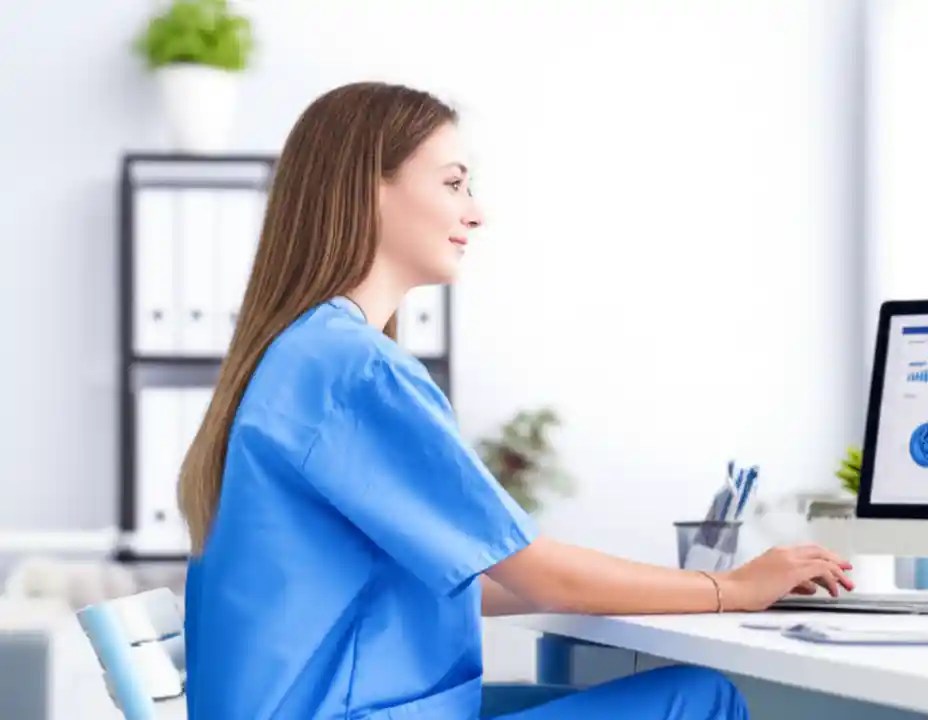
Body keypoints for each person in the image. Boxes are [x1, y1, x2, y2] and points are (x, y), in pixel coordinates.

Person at [178, 81, 854, 720]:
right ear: (369, 192)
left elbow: (468, 576)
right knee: (695, 699)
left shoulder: (305, 355)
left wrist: (682, 589)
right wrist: (729, 591)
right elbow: (537, 573)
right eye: (452, 183)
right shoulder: (354, 369)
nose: (475, 210)